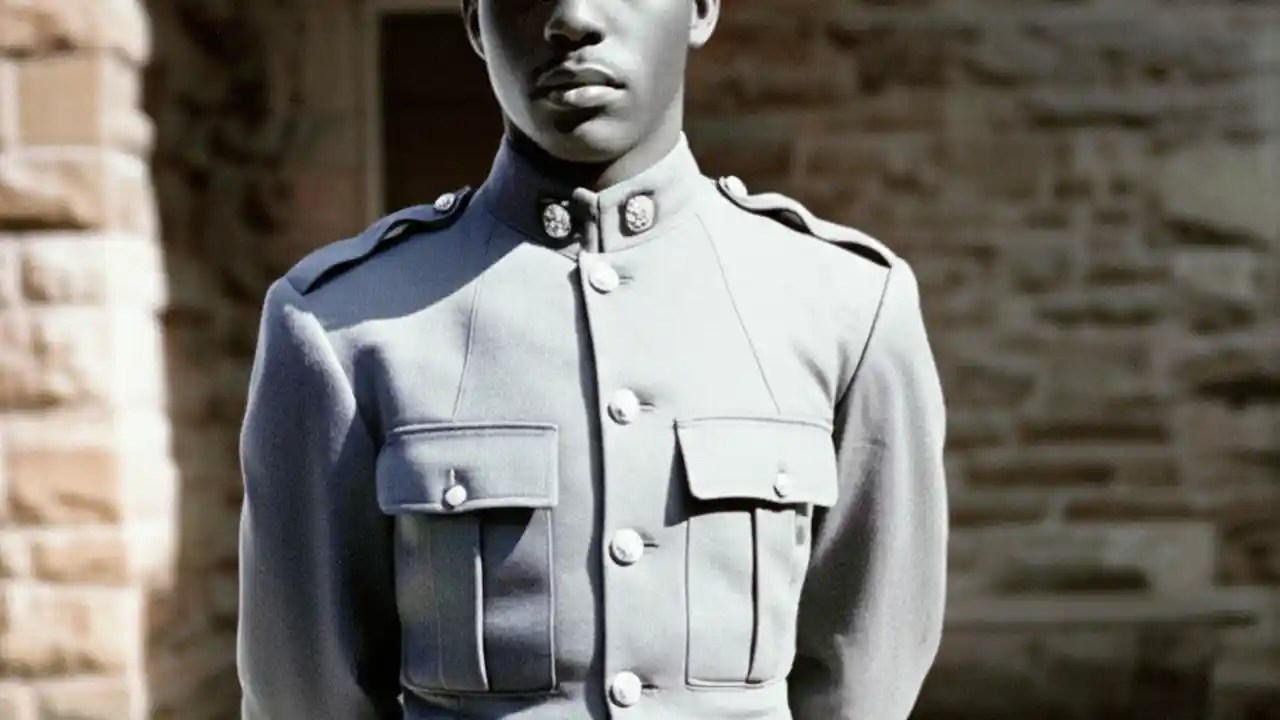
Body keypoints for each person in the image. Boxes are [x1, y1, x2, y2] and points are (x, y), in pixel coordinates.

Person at [235, 0, 949, 718]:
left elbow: (863, 676)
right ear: (474, 23)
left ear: (701, 8)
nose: (571, 18)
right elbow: (306, 695)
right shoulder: (338, 328)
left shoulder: (848, 307)